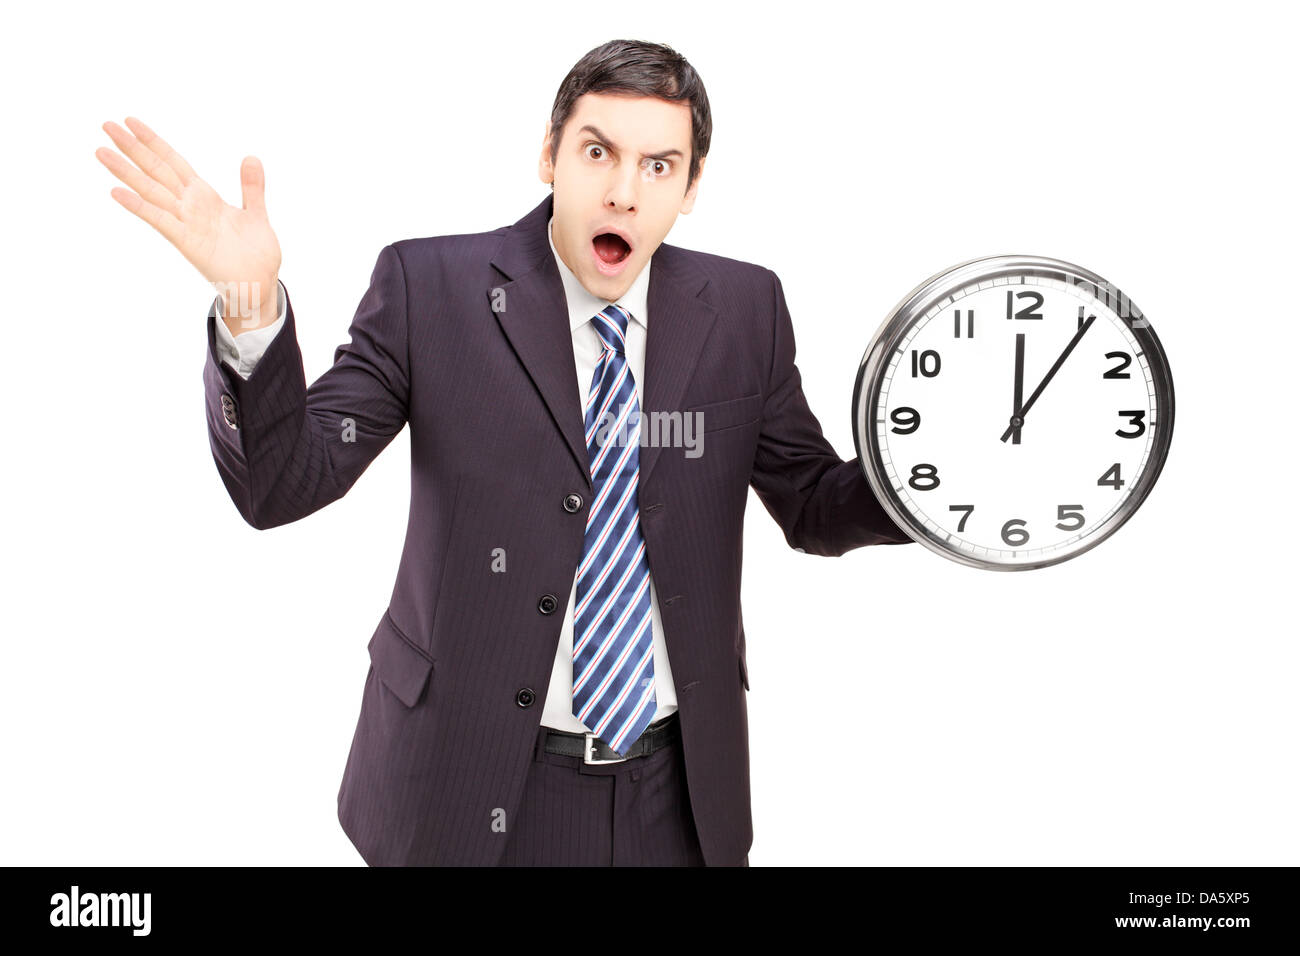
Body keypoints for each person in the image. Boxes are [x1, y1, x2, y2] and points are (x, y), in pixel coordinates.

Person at [96, 38, 915, 867]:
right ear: (550, 152)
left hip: (677, 802)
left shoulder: (746, 308)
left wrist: (939, 484)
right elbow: (283, 483)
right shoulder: (431, 290)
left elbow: (813, 503)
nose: (624, 194)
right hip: (468, 789)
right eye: (599, 153)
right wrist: (250, 302)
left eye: (660, 166)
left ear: (692, 186)